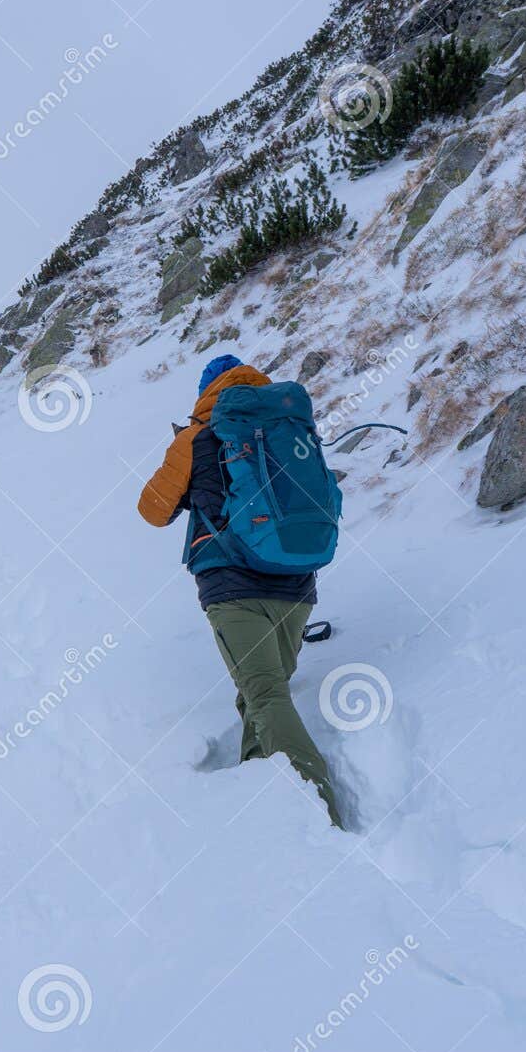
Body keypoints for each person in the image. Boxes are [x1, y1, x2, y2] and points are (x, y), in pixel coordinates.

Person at [136, 354, 345, 829]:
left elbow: (152, 510)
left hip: (231, 584)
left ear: (204, 393)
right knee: (259, 693)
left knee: (265, 695)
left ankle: (322, 813)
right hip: (297, 583)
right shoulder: (287, 428)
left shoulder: (197, 437)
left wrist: (187, 462)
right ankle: (264, 793)